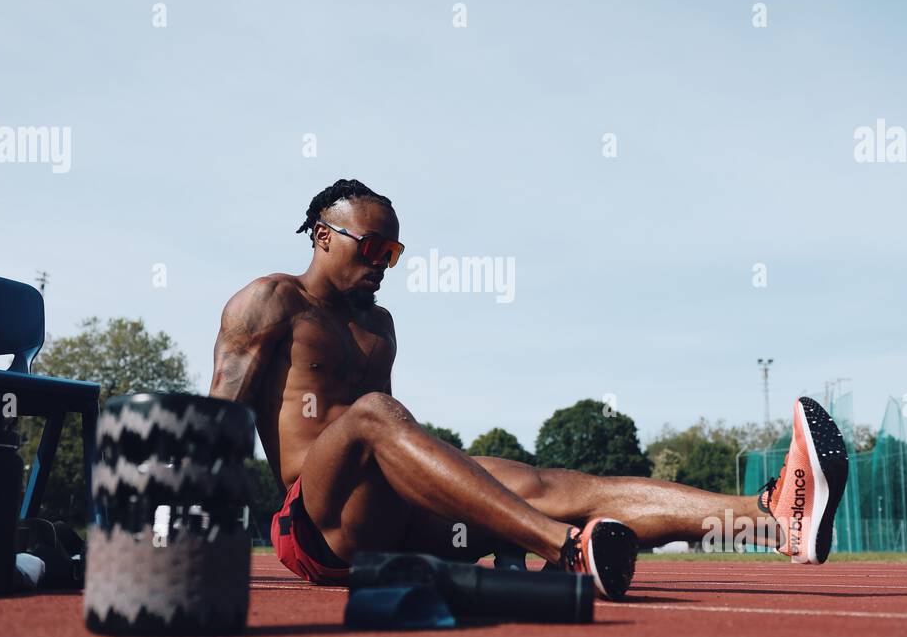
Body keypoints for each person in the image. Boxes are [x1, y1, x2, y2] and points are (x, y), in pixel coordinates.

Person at [210, 179, 848, 599]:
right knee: (376, 413)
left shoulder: (379, 326)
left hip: (387, 518)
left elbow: (394, 450)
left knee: (553, 486)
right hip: (315, 523)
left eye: (393, 252)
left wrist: (463, 505)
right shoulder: (268, 303)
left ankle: (767, 521)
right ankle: (563, 549)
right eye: (371, 246)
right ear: (323, 237)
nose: (382, 263)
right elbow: (217, 428)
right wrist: (183, 537)